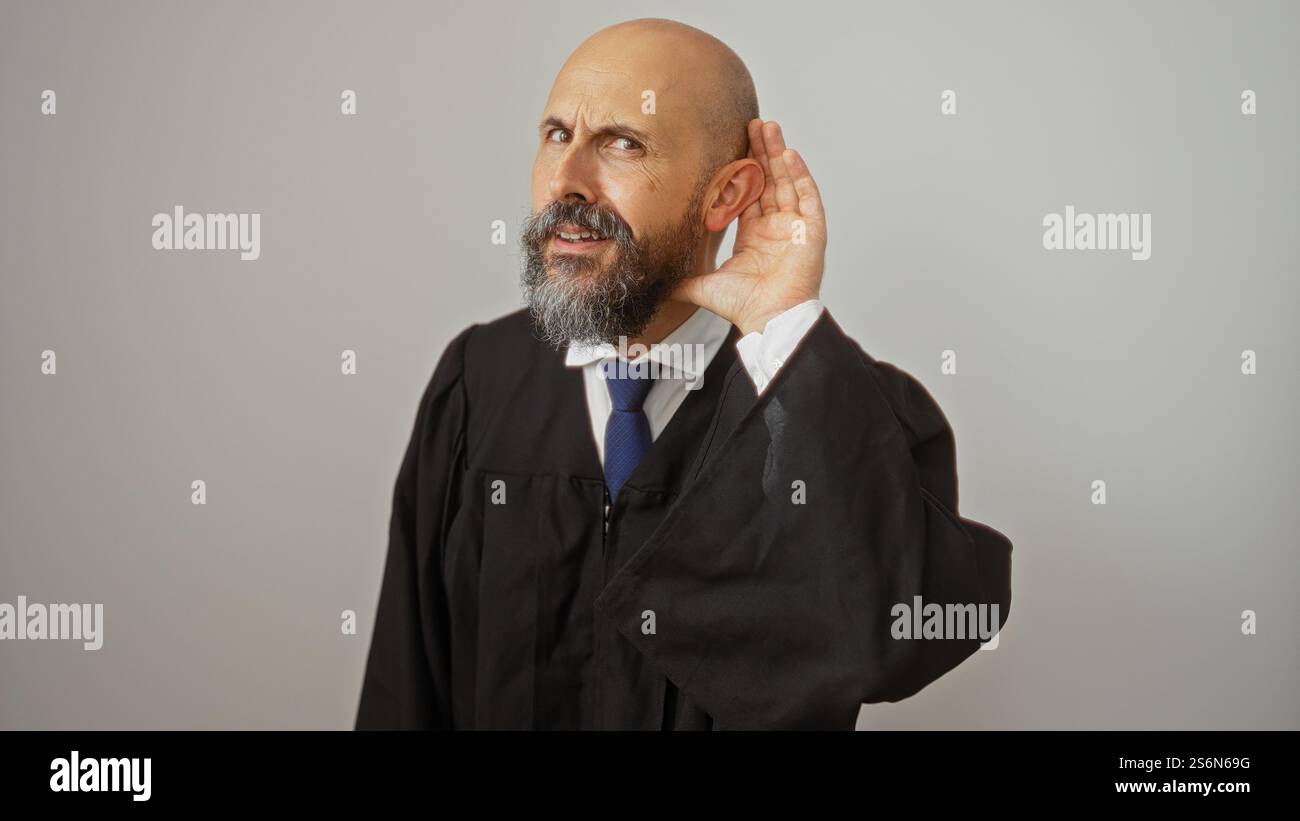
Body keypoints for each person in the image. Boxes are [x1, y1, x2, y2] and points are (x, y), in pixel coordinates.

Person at [355, 18, 1012, 730]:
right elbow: (406, 683)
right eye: (556, 135)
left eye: (621, 143)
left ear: (726, 196)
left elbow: (896, 638)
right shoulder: (478, 382)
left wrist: (784, 323)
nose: (565, 183)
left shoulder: (827, 409)